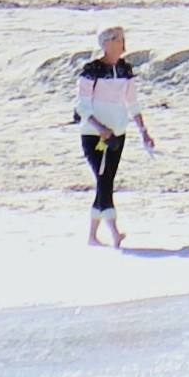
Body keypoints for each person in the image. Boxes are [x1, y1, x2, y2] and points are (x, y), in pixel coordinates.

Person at [74, 25, 156, 247]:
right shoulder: (91, 70)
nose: (122, 42)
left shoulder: (125, 70)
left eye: (122, 38)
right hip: (95, 136)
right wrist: (101, 128)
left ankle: (95, 235)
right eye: (118, 39)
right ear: (106, 43)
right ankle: (113, 232)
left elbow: (133, 103)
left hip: (118, 133)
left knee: (106, 181)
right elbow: (82, 108)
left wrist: (143, 131)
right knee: (104, 180)